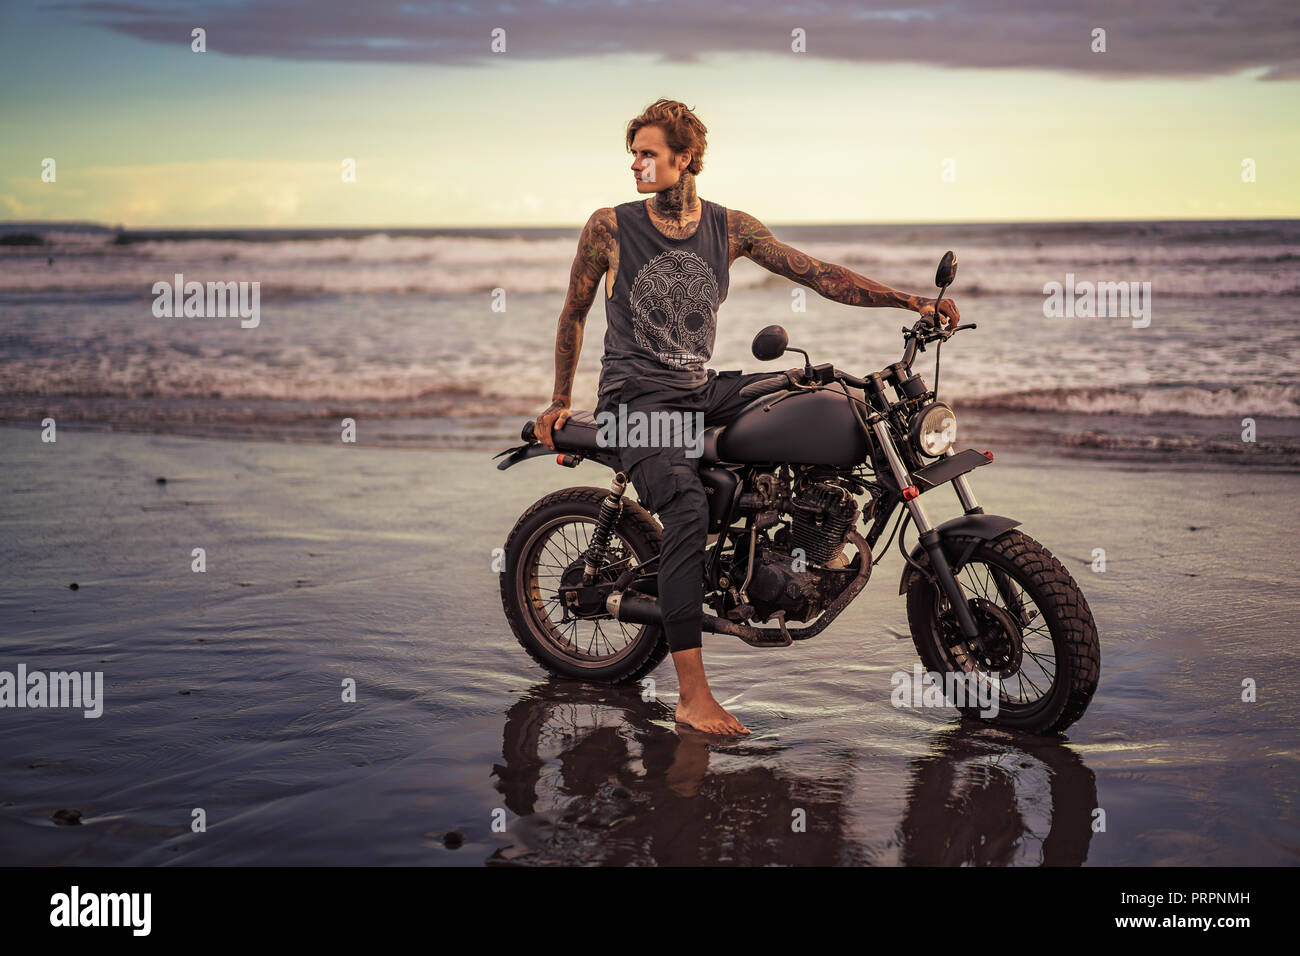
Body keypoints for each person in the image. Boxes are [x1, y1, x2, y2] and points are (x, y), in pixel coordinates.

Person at [534, 98, 959, 736]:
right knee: (683, 509)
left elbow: (818, 275)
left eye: (649, 153)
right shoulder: (609, 226)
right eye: (634, 154)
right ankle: (692, 696)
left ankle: (799, 544)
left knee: (814, 386)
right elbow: (574, 313)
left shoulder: (730, 228)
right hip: (634, 401)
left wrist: (908, 300)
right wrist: (561, 399)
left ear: (686, 159)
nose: (637, 164)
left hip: (696, 388)